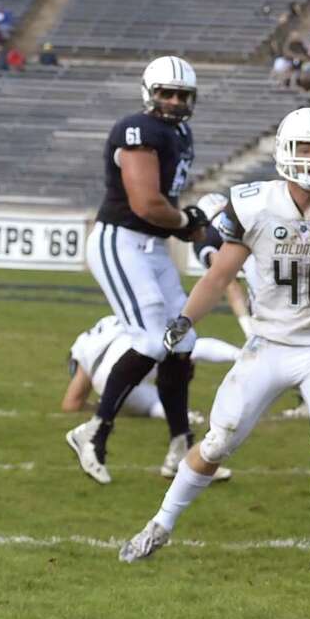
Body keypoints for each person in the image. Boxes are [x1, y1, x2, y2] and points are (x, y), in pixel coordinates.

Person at [119, 107, 310, 578]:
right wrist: (185, 319)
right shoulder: (253, 203)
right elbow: (220, 273)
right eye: (305, 148)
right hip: (268, 344)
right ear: (286, 152)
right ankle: (159, 524)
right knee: (217, 442)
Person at [65, 56, 210, 484]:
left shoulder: (179, 132)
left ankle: (180, 444)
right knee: (152, 340)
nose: (175, 101)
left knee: (183, 341)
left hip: (150, 247)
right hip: (120, 240)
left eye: (182, 94)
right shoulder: (138, 130)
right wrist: (188, 223)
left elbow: (162, 209)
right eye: (167, 92)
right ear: (149, 93)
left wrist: (187, 226)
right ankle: (93, 432)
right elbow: (146, 204)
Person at [61, 315, 240, 453]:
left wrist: (102, 407)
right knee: (192, 347)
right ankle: (240, 355)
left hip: (117, 365)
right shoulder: (110, 322)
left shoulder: (82, 347)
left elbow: (71, 404)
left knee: (151, 404)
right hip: (141, 348)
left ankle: (187, 415)